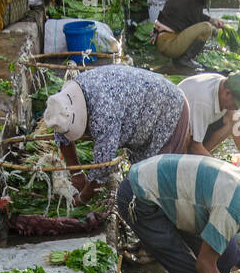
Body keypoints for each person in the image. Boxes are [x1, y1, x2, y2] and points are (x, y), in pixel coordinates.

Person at [42, 66, 191, 205]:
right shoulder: (64, 103)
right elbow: (61, 134)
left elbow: (104, 165)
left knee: (155, 185)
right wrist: (76, 172)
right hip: (144, 109)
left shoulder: (103, 113)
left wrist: (82, 199)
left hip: (168, 111)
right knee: (141, 179)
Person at [178, 71, 240, 156]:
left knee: (235, 117)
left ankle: (201, 156)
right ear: (227, 93)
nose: (238, 108)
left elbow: (238, 127)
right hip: (176, 132)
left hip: (196, 120)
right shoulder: (203, 102)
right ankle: (189, 159)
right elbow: (195, 145)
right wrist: (216, 166)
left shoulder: (223, 83)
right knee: (189, 139)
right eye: (237, 104)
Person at [150, 0, 228, 70]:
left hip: (163, 40)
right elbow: (195, 20)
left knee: (207, 26)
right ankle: (184, 60)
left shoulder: (187, 1)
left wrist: (212, 20)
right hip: (169, 44)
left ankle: (180, 59)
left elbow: (194, 15)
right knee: (206, 27)